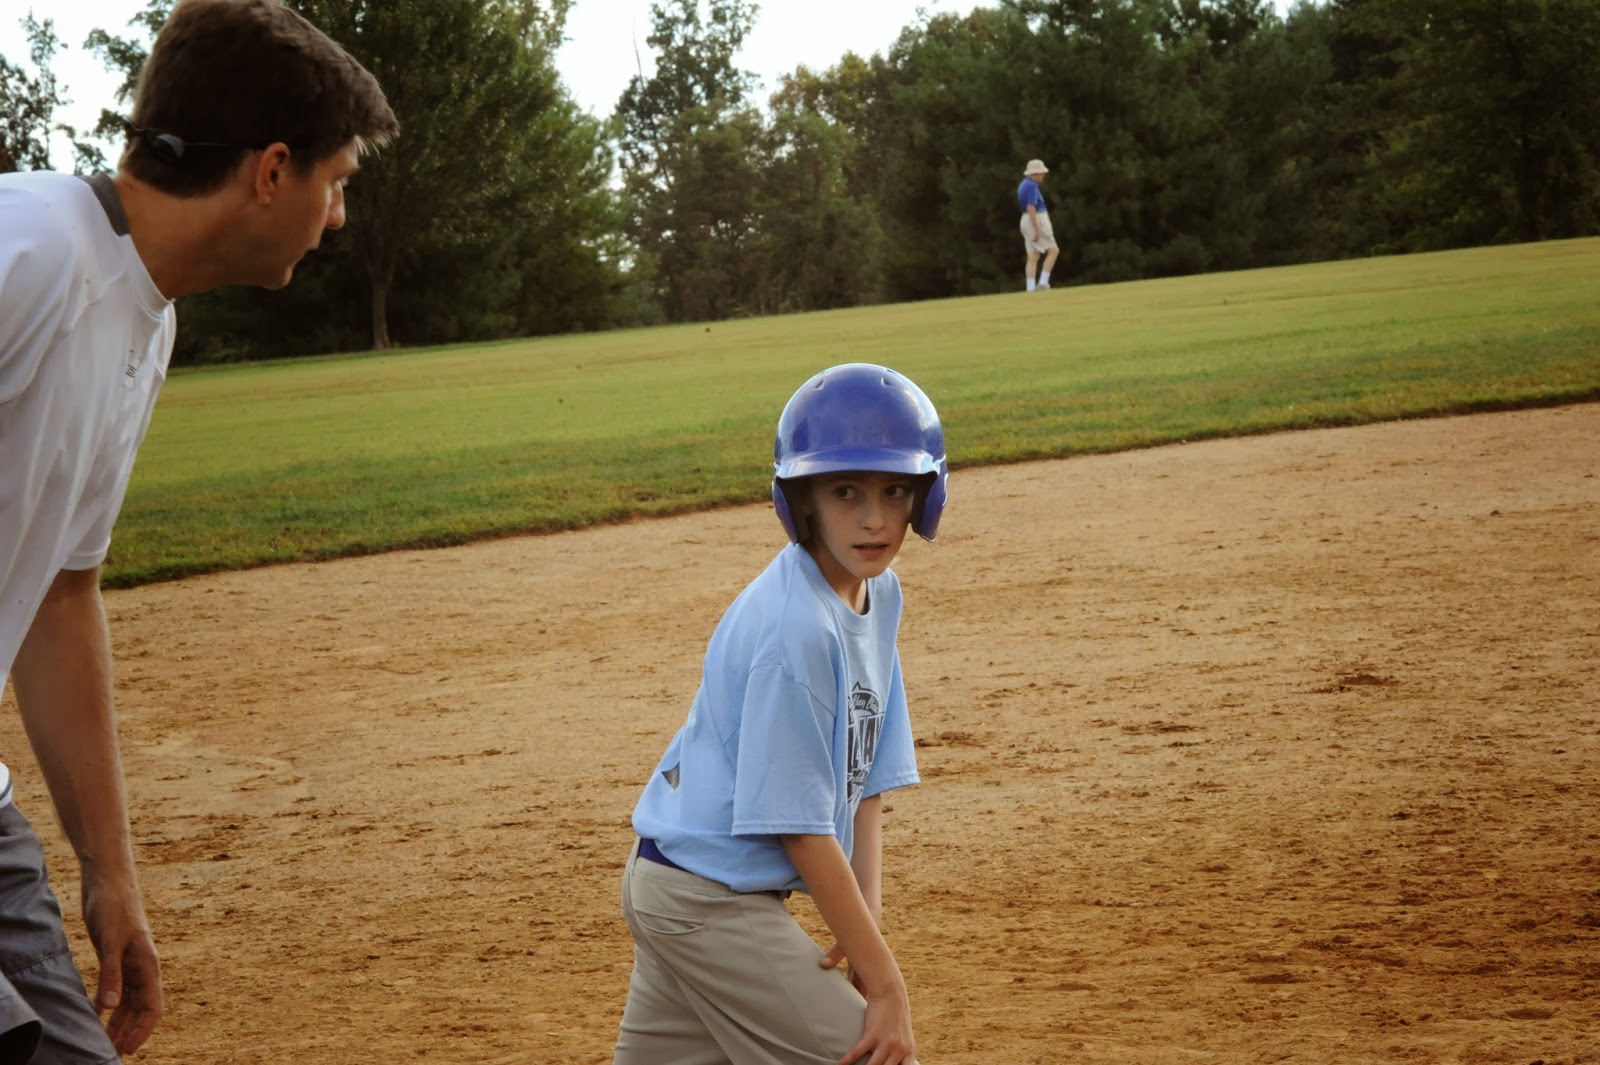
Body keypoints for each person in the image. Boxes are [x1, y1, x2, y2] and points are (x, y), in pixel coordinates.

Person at [0, 1, 397, 1060]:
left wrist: (109, 870)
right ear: (272, 172)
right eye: (338, 181)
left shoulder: (146, 316)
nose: (339, 216)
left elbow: (60, 591)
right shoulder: (29, 247)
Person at [610, 363, 947, 1065]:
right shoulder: (797, 629)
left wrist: (867, 933)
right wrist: (886, 984)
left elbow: (867, 788)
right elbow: (798, 826)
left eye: (896, 490)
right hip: (706, 900)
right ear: (803, 500)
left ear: (925, 497)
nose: (875, 517)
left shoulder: (876, 597)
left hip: (678, 883)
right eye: (845, 490)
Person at [1017, 158, 1060, 292]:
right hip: (1036, 219)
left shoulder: (1023, 184)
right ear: (1034, 173)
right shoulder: (1032, 186)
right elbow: (1031, 207)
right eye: (1041, 173)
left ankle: (1030, 289)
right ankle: (1043, 283)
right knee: (1053, 250)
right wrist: (1037, 229)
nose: (1043, 175)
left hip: (1024, 219)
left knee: (1033, 255)